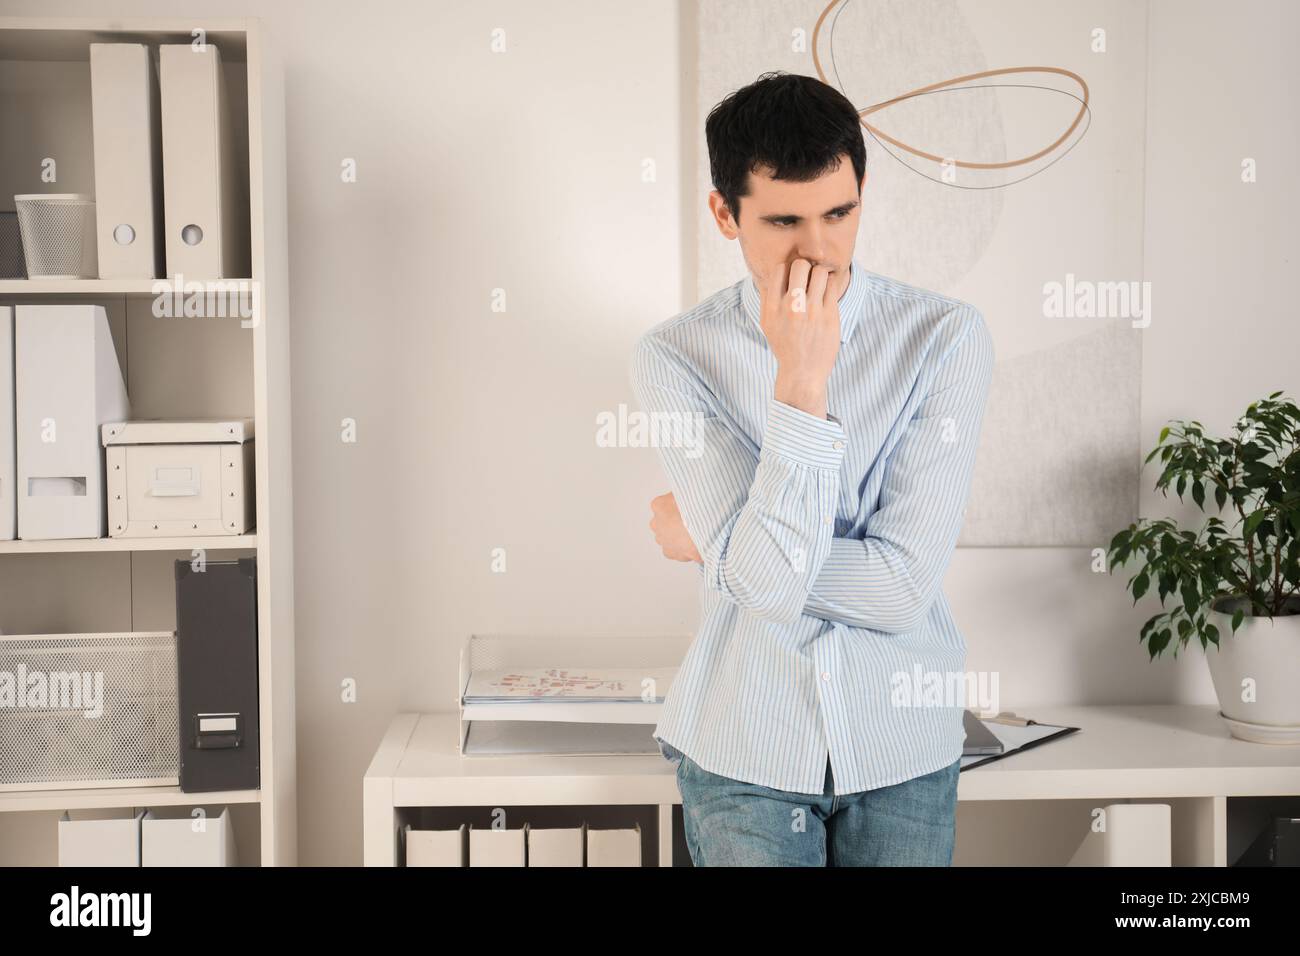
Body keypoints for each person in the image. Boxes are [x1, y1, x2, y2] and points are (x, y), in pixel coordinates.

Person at [629, 70, 995, 866]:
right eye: (786, 220)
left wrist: (717, 543)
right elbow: (761, 587)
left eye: (840, 213)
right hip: (743, 746)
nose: (820, 250)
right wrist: (802, 377)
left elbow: (902, 588)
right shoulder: (674, 357)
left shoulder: (944, 339)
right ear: (726, 214)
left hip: (901, 745)